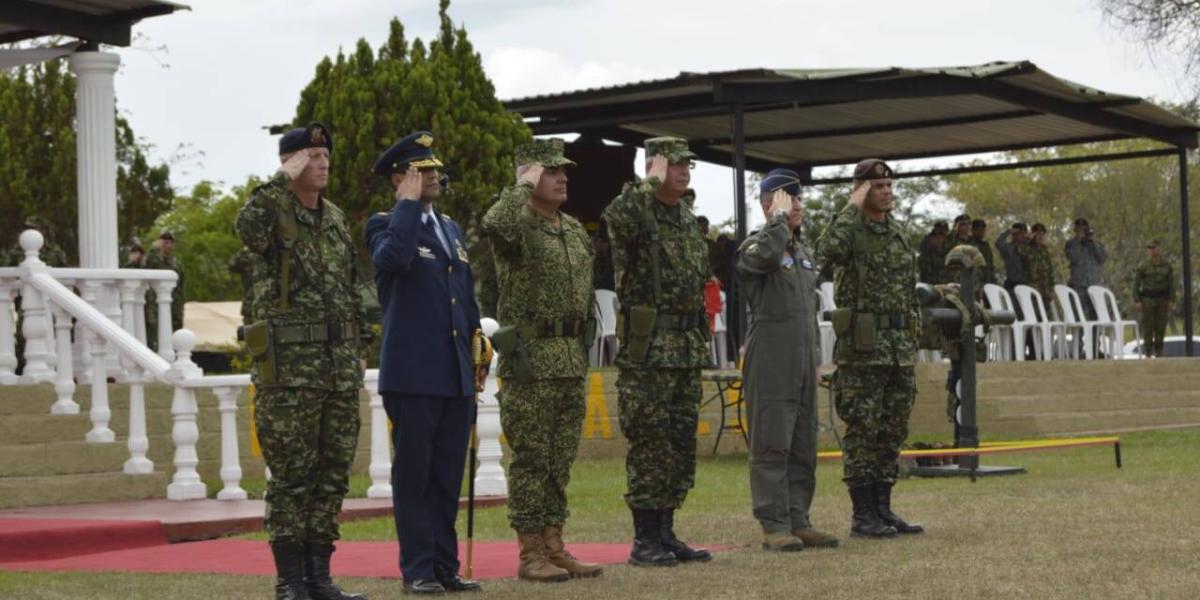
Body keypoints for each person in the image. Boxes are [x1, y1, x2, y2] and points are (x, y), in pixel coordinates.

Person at [234, 122, 370, 600]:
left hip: (338, 370)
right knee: (293, 477)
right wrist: (279, 180)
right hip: (290, 372)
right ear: (290, 163)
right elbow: (246, 229)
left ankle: (319, 577)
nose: (323, 163)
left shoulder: (334, 218)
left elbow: (351, 287)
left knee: (332, 475)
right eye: (312, 156)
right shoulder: (271, 211)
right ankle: (290, 580)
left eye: (325, 155)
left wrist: (361, 343)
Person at [365, 131, 483, 595]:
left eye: (435, 168)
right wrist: (407, 206)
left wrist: (477, 347)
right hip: (413, 375)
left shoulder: (450, 228)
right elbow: (394, 260)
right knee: (414, 477)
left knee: (446, 476)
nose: (434, 175)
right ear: (399, 178)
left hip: (454, 374)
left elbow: (463, 295)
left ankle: (445, 567)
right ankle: (417, 569)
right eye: (422, 170)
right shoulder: (384, 225)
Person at [482, 137, 602, 582]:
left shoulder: (570, 228)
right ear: (530, 176)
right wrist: (521, 186)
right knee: (532, 459)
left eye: (563, 170)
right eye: (551, 171)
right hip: (531, 362)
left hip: (569, 358)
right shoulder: (515, 224)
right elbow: (493, 221)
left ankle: (555, 545)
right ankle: (531, 552)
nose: (562, 177)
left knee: (559, 459)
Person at [603, 136, 713, 567]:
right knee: (649, 442)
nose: (683, 171)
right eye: (675, 164)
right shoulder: (635, 209)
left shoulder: (684, 216)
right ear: (654, 166)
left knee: (679, 442)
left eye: (687, 165)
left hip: (685, 347)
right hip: (650, 350)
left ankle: (666, 530)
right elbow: (616, 216)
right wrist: (649, 181)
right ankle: (644, 539)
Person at [816, 158, 923, 539]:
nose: (887, 192)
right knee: (864, 429)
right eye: (878, 186)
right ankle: (862, 515)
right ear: (861, 189)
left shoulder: (897, 231)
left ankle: (883, 507)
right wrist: (851, 207)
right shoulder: (849, 231)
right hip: (863, 349)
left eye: (889, 185)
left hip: (898, 348)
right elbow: (824, 250)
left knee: (892, 429)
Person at [737, 168, 840, 552]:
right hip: (771, 355)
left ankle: (800, 519)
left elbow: (807, 310)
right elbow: (764, 258)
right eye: (789, 199)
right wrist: (777, 222)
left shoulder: (802, 252)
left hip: (801, 356)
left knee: (802, 442)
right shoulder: (755, 246)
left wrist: (814, 359)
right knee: (772, 441)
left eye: (798, 199)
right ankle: (775, 524)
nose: (798, 205)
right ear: (769, 205)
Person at [1133, 240, 1175, 358]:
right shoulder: (1143, 266)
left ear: (1159, 249)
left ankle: (1159, 351)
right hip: (1148, 299)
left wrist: (1172, 300)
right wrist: (1137, 300)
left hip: (1162, 299)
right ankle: (1147, 352)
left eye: (1153, 248)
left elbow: (1171, 284)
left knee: (1161, 327)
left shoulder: (1167, 265)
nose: (1151, 251)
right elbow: (1136, 284)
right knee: (1148, 327)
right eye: (1149, 248)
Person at [143, 231, 186, 340]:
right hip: (156, 303)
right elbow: (146, 266)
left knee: (176, 333)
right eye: (165, 243)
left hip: (175, 304)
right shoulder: (154, 259)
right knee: (157, 332)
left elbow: (181, 284)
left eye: (171, 243)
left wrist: (181, 303)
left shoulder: (177, 263)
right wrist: (154, 248)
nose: (168, 245)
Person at [1065, 217, 1107, 319]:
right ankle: (1079, 330)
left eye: (1083, 228)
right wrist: (1079, 241)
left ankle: (1094, 330)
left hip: (1094, 283)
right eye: (1079, 228)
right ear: (1075, 230)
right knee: (1078, 315)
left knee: (1096, 315)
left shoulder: (1096, 243)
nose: (1081, 230)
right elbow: (1073, 258)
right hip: (1078, 285)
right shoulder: (1071, 244)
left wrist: (1092, 243)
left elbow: (1102, 258)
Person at [1023, 223, 1056, 305]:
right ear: (1033, 235)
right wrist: (1028, 238)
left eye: (1042, 234)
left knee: (1046, 312)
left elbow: (1049, 271)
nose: (1040, 236)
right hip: (1032, 289)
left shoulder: (1044, 250)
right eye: (1037, 234)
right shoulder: (1027, 247)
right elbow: (1019, 250)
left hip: (1045, 291)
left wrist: (1051, 290)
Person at [227, 247, 255, 327]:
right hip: (250, 302)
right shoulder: (248, 255)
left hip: (270, 305)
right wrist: (244, 251)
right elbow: (232, 265)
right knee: (250, 329)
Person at [969, 219, 996, 285]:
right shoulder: (967, 244)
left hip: (986, 280)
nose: (981, 233)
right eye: (979, 230)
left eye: (983, 230)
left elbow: (990, 264)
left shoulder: (985, 245)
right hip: (973, 281)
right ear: (972, 230)